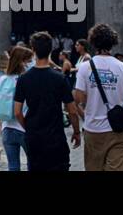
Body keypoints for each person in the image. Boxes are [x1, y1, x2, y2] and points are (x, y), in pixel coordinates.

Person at [73, 23, 123, 172]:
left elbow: (76, 101)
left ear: (93, 42)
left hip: (93, 131)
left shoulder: (85, 68)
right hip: (118, 130)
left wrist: (85, 117)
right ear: (113, 43)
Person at [14, 31, 82, 171]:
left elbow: (17, 112)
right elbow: (72, 110)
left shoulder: (23, 79)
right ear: (51, 50)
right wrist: (76, 131)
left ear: (33, 50)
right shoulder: (60, 79)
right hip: (55, 138)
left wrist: (28, 127)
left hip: (34, 138)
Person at [0, 44, 33, 171]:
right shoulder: (26, 80)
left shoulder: (3, 78)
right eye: (29, 61)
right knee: (32, 164)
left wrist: (1, 124)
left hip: (7, 128)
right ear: (22, 62)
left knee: (13, 166)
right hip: (23, 128)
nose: (31, 64)